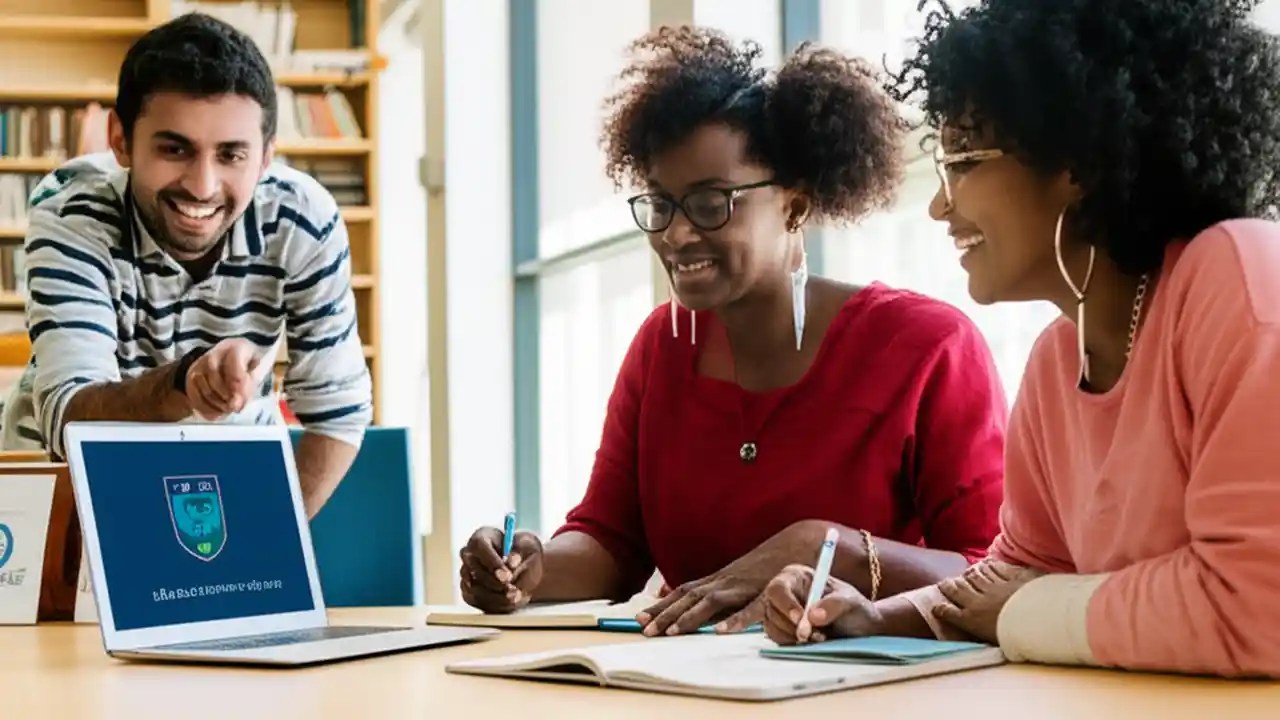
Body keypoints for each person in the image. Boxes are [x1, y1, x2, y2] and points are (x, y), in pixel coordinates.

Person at [760, 0, 1280, 678]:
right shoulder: (1056, 359)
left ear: (1076, 158)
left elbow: (1258, 608)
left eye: (964, 163)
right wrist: (867, 616)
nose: (941, 205)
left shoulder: (1238, 277)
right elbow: (1019, 576)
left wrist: (1028, 607)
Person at [459, 25, 1009, 637]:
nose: (675, 234)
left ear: (795, 207)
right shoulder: (661, 348)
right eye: (661, 203)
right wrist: (530, 569)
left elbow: (990, 571)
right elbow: (611, 543)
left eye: (711, 203)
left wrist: (825, 546)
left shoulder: (928, 347)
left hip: (856, 686)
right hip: (684, 687)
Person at [0, 13, 372, 518]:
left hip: (224, 480)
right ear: (121, 139)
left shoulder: (303, 219)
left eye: (231, 155)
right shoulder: (72, 210)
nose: (202, 185)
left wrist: (263, 541)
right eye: (175, 149)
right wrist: (183, 385)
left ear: (265, 157)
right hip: (64, 484)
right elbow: (71, 418)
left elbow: (338, 413)